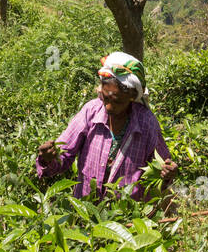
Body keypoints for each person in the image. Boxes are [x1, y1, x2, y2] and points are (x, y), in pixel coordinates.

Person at [35, 51, 178, 200]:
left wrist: (167, 173)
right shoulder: (90, 112)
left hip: (125, 216)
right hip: (86, 211)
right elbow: (64, 156)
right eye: (105, 97)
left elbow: (162, 168)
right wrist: (48, 159)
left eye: (117, 101)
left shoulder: (147, 123)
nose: (108, 107)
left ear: (131, 96)